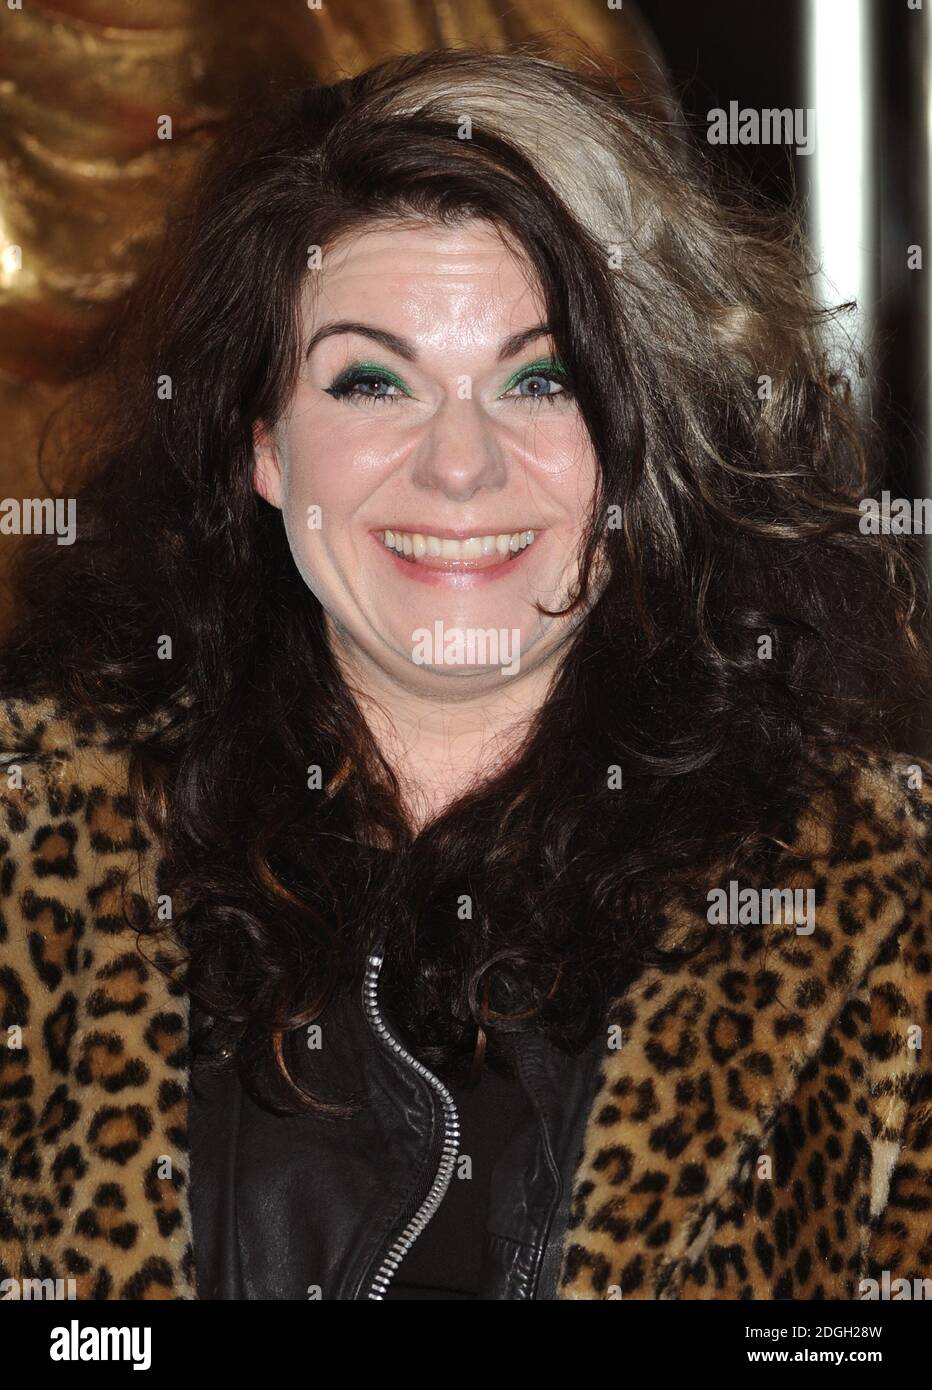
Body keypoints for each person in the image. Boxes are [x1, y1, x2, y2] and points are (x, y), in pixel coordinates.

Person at [0, 46, 930, 1303]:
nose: (459, 466)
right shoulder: (31, 841)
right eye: (372, 379)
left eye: (539, 379)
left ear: (640, 433)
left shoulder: (879, 908)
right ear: (261, 445)